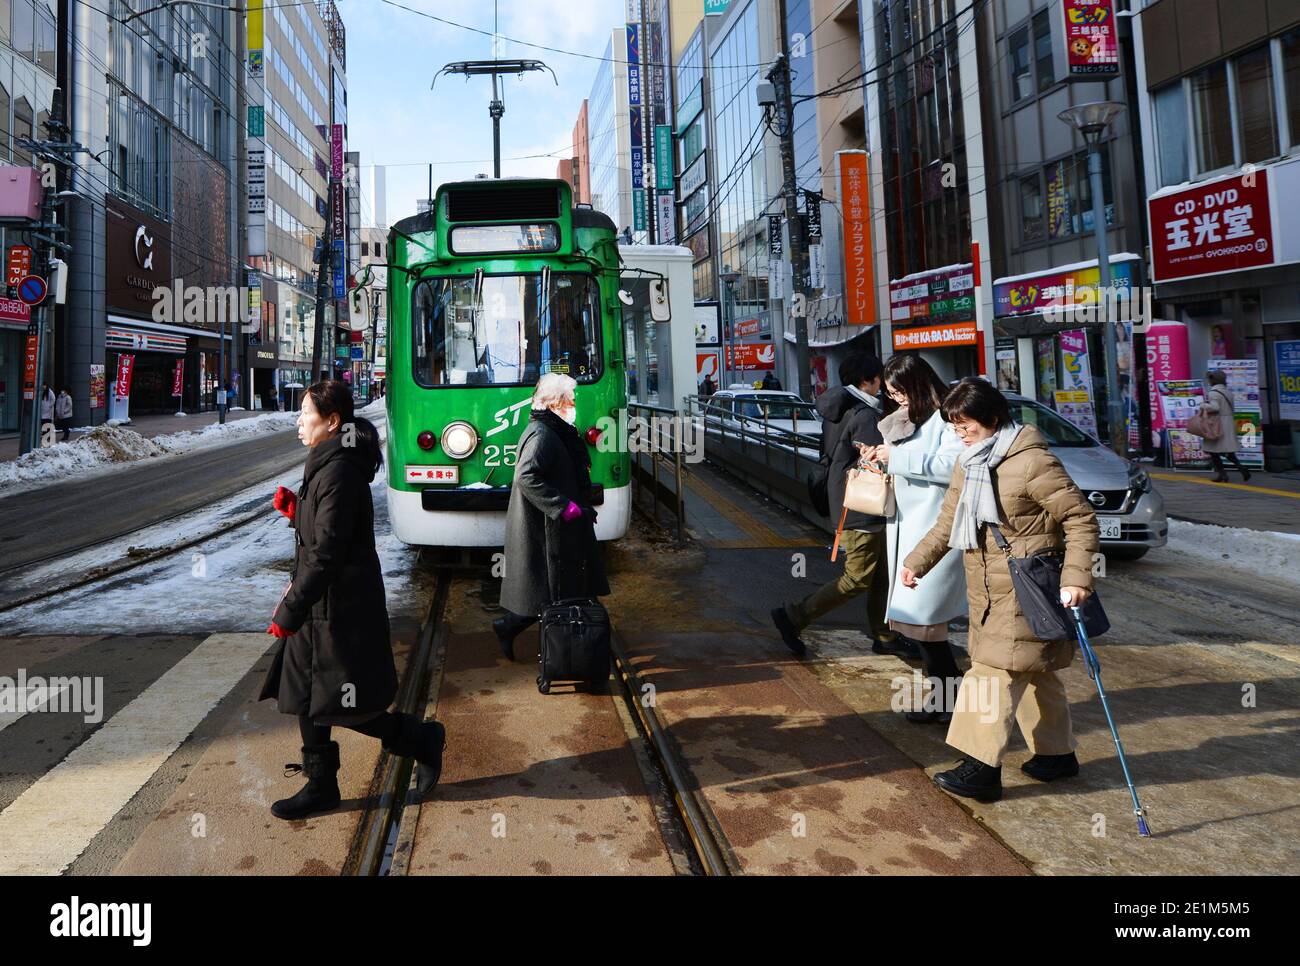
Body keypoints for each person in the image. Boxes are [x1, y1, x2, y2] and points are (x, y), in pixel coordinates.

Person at [901, 378, 1099, 802]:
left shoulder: (1031, 462)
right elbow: (947, 523)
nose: (959, 434)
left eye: (966, 426)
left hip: (1027, 586)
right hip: (988, 588)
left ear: (992, 419)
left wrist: (1077, 577)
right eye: (954, 427)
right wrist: (916, 562)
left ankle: (981, 769)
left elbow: (1080, 518)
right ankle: (1055, 755)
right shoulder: (968, 461)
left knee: (990, 675)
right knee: (1033, 669)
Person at [260, 380, 445, 820]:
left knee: (346, 701)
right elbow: (328, 532)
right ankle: (321, 785)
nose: (299, 423)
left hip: (338, 607)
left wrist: (290, 608)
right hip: (322, 605)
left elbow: (327, 553)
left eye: (305, 414)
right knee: (310, 694)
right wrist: (298, 509)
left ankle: (418, 739)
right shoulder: (328, 463)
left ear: (333, 422)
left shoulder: (338, 471)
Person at [771, 352, 900, 655]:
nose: (882, 385)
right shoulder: (866, 415)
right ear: (868, 380)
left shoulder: (839, 409)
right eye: (879, 379)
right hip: (863, 506)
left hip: (844, 498)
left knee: (881, 573)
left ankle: (885, 636)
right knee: (857, 577)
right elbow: (876, 462)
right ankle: (794, 616)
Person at [860, 354, 967, 723]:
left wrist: (898, 457)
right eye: (892, 394)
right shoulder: (915, 420)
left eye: (901, 391)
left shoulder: (946, 418)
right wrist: (882, 459)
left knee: (926, 622)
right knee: (921, 625)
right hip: (911, 530)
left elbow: (951, 467)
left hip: (935, 534)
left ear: (919, 384)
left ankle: (949, 697)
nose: (898, 399)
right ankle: (944, 698)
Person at [494, 373, 610, 660]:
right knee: (556, 591)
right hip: (549, 527)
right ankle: (578, 650)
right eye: (569, 400)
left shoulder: (554, 430)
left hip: (560, 526)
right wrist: (564, 507)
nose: (573, 405)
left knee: (564, 590)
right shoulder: (543, 435)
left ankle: (582, 646)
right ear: (555, 403)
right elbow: (526, 477)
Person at [1202, 369, 1250, 483]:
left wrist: (1203, 405)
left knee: (1213, 450)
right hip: (1228, 422)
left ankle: (1222, 474)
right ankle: (1241, 468)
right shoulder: (1228, 392)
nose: (1208, 381)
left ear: (1213, 380)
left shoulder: (1213, 393)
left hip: (1217, 424)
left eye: (1209, 379)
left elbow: (1215, 407)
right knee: (1227, 450)